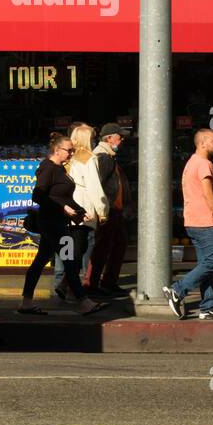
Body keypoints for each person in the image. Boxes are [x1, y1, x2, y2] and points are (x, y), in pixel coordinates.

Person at [19, 133, 108, 316]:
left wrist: (81, 212)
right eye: (69, 150)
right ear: (57, 150)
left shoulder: (60, 169)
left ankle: (26, 302)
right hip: (52, 225)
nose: (72, 153)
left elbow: (64, 197)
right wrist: (63, 208)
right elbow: (38, 195)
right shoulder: (48, 168)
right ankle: (83, 302)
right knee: (69, 261)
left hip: (57, 223)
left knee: (41, 261)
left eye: (73, 150)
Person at [164, 129, 213, 320]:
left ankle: (209, 306)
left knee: (205, 264)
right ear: (202, 143)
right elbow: (207, 192)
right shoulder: (204, 164)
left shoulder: (191, 163)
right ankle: (178, 290)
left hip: (193, 221)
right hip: (205, 221)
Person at [54, 123, 107, 300]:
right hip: (82, 210)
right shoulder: (88, 158)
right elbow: (94, 187)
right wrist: (102, 210)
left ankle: (63, 282)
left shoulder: (66, 158)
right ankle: (70, 286)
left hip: (64, 209)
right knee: (79, 248)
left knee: (68, 248)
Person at [87, 122, 130, 296]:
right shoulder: (103, 157)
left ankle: (106, 282)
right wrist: (103, 210)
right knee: (103, 247)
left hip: (114, 210)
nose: (122, 141)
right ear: (110, 138)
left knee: (117, 244)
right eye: (120, 137)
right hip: (108, 211)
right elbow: (99, 186)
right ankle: (92, 284)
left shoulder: (108, 156)